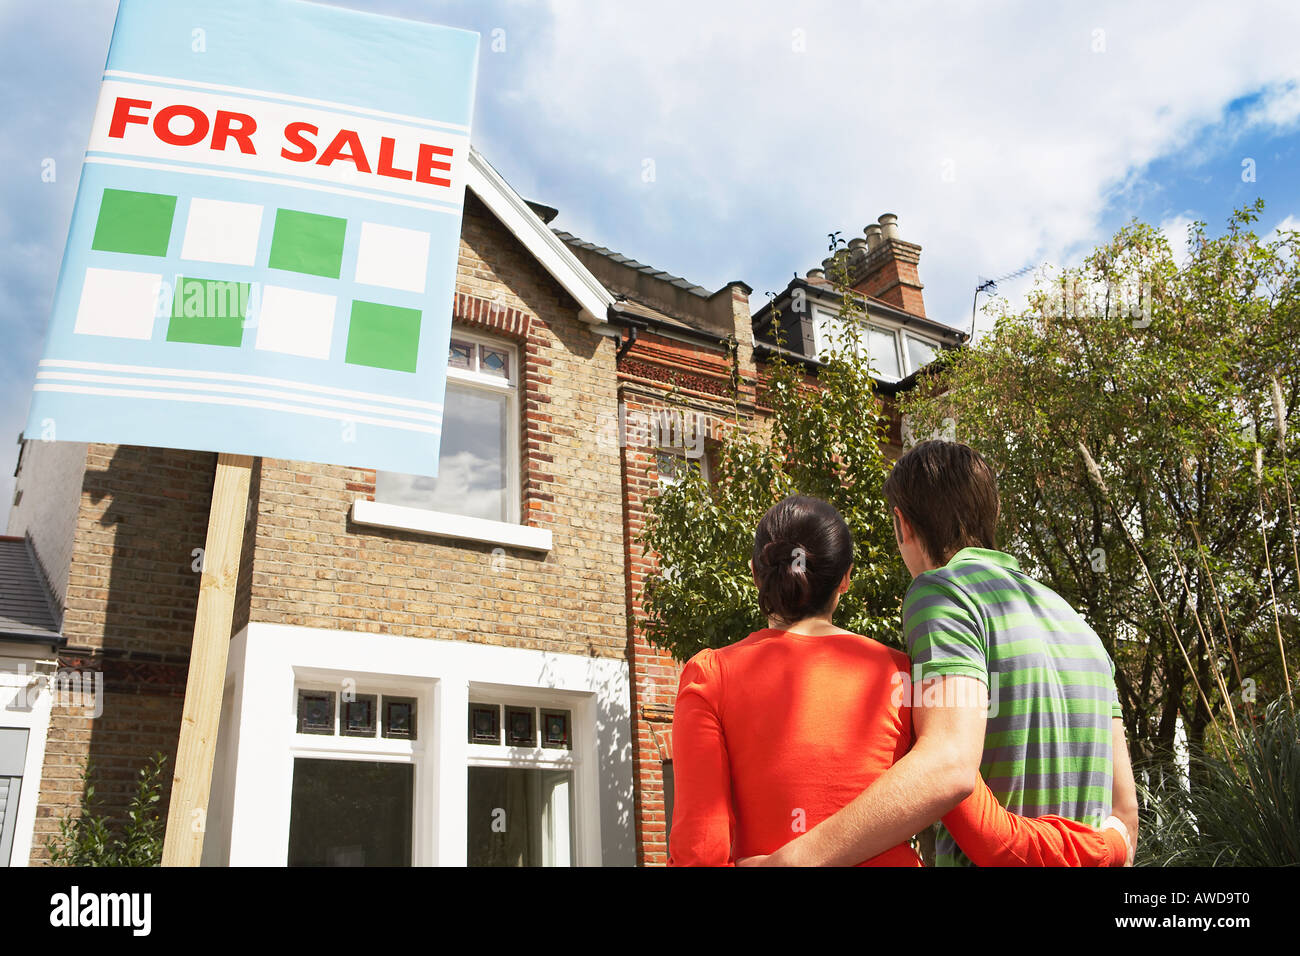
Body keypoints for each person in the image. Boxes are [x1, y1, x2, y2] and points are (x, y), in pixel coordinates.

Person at [669, 491, 1134, 867]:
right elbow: (988, 833)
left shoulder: (709, 675)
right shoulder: (903, 673)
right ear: (846, 579)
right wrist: (1108, 845)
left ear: (755, 574)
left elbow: (700, 852)